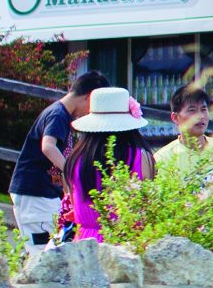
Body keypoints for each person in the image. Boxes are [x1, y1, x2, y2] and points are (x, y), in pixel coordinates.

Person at [9, 68, 105, 246]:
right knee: (41, 251)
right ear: (89, 97)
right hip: (35, 193)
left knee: (53, 248)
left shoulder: (62, 116)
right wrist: (73, 170)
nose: (88, 113)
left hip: (44, 194)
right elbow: (48, 146)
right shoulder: (58, 115)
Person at [61, 86, 152, 241]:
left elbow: (70, 202)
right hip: (127, 244)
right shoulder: (142, 158)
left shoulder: (74, 159)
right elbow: (148, 208)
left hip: (85, 245)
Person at [155, 84, 213, 186]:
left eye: (203, 109)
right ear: (175, 118)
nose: (200, 116)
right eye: (192, 110)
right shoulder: (163, 158)